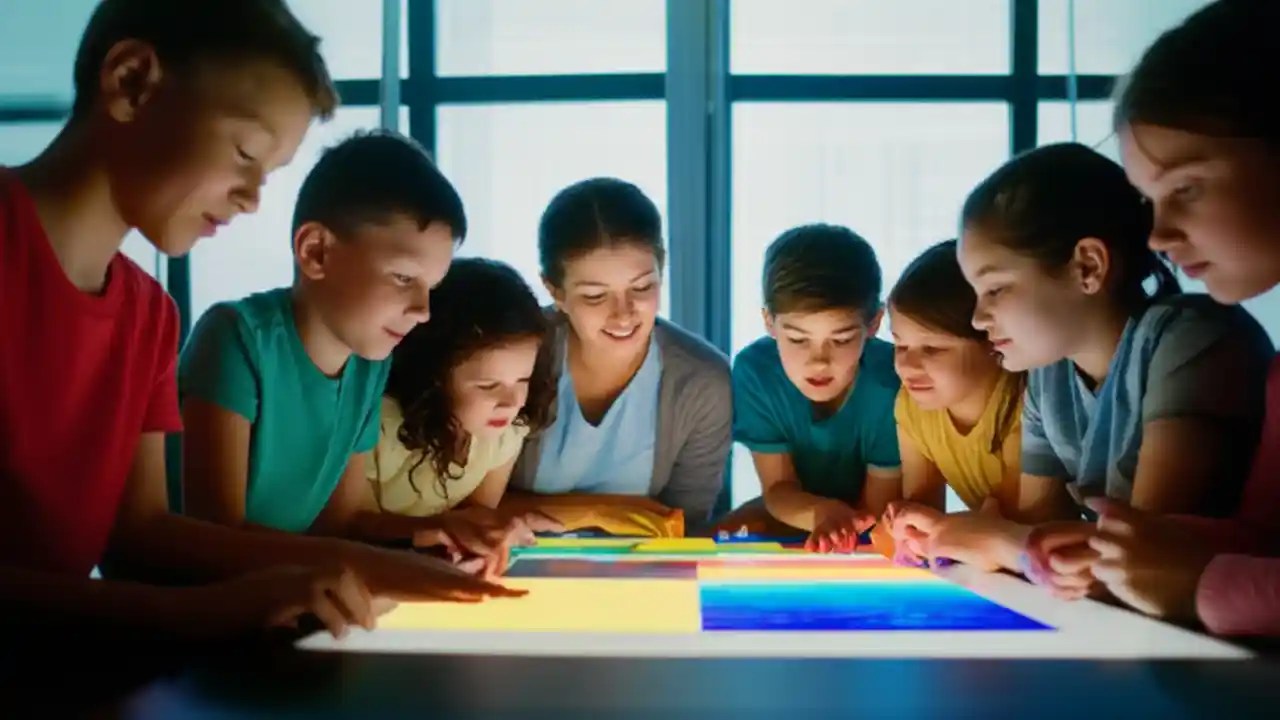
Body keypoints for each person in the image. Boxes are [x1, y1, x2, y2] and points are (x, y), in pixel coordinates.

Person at [0, 0, 510, 643]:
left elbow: (140, 537)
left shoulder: (150, 316)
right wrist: (195, 613)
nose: (252, 198)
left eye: (268, 175)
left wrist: (383, 565)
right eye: (245, 153)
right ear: (131, 82)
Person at [899, 142, 1273, 595]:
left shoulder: (1188, 339)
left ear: (1088, 266)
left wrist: (1005, 542)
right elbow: (1040, 528)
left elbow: (1145, 559)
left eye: (995, 289)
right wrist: (971, 536)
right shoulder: (1049, 377)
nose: (978, 319)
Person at [1083, 0, 1280, 636]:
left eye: (1186, 189)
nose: (1160, 235)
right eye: (1150, 201)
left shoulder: (1189, 336)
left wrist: (1204, 588)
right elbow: (1263, 539)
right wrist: (1121, 552)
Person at [508, 177, 732, 534]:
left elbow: (682, 526)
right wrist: (599, 511)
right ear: (555, 290)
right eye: (596, 296)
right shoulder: (512, 356)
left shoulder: (702, 383)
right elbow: (471, 510)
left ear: (662, 268)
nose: (624, 314)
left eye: (642, 287)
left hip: (642, 578)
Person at [361, 258, 564, 555]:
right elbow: (352, 527)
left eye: (522, 380)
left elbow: (477, 515)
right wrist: (444, 530)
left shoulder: (508, 430)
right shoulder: (379, 426)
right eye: (487, 386)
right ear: (436, 376)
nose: (509, 402)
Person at [730, 224, 902, 553]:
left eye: (840, 340)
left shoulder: (890, 382)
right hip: (798, 513)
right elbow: (778, 488)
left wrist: (838, 523)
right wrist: (821, 512)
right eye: (797, 339)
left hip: (878, 523)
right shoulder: (757, 373)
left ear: (874, 324)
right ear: (769, 322)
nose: (819, 361)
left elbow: (876, 514)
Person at [880, 240, 1025, 565]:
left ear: (992, 339)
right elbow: (922, 504)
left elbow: (1012, 513)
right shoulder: (912, 406)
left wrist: (941, 532)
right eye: (900, 346)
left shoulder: (1021, 400)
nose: (908, 365)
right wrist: (905, 523)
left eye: (932, 349)